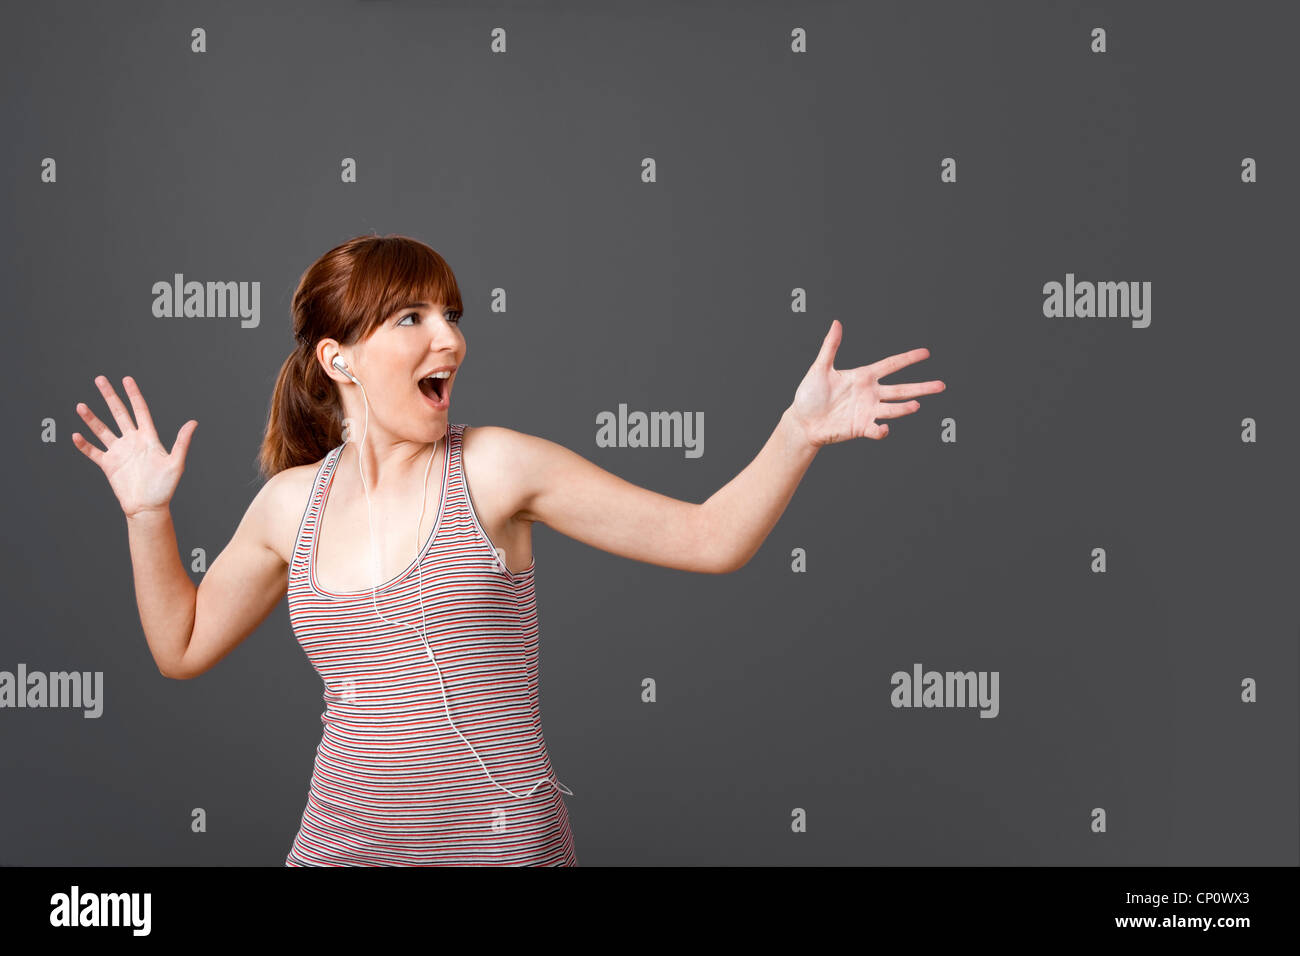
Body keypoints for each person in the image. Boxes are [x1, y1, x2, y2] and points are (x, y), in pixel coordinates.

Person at [70, 233, 946, 866]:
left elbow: (710, 539)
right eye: (410, 317)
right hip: (343, 846)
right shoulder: (287, 506)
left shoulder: (494, 468)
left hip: (502, 847)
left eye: (450, 314)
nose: (448, 337)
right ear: (338, 360)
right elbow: (180, 648)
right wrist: (149, 516)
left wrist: (797, 432)